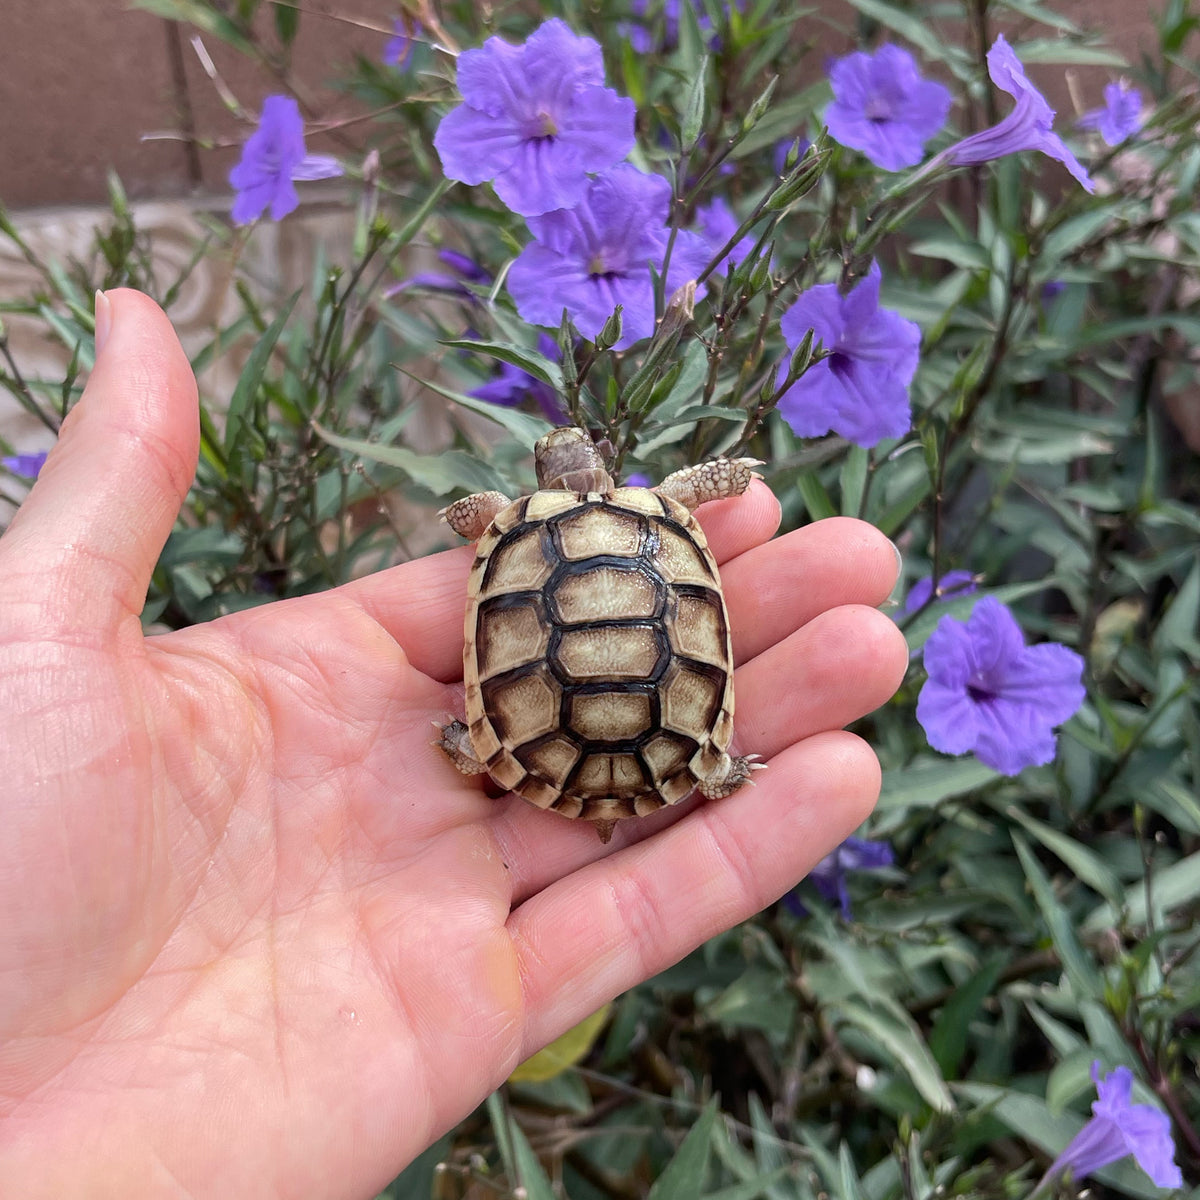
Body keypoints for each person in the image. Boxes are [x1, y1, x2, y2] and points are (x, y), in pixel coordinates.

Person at [0, 290, 908, 1195]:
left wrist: (472, 521)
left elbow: (466, 522)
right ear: (597, 466)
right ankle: (705, 767)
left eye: (554, 455)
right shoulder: (665, 511)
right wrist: (725, 477)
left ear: (549, 471)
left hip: (533, 754)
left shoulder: (509, 526)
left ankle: (498, 755)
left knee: (486, 729)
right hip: (664, 746)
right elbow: (694, 497)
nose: (560, 456)